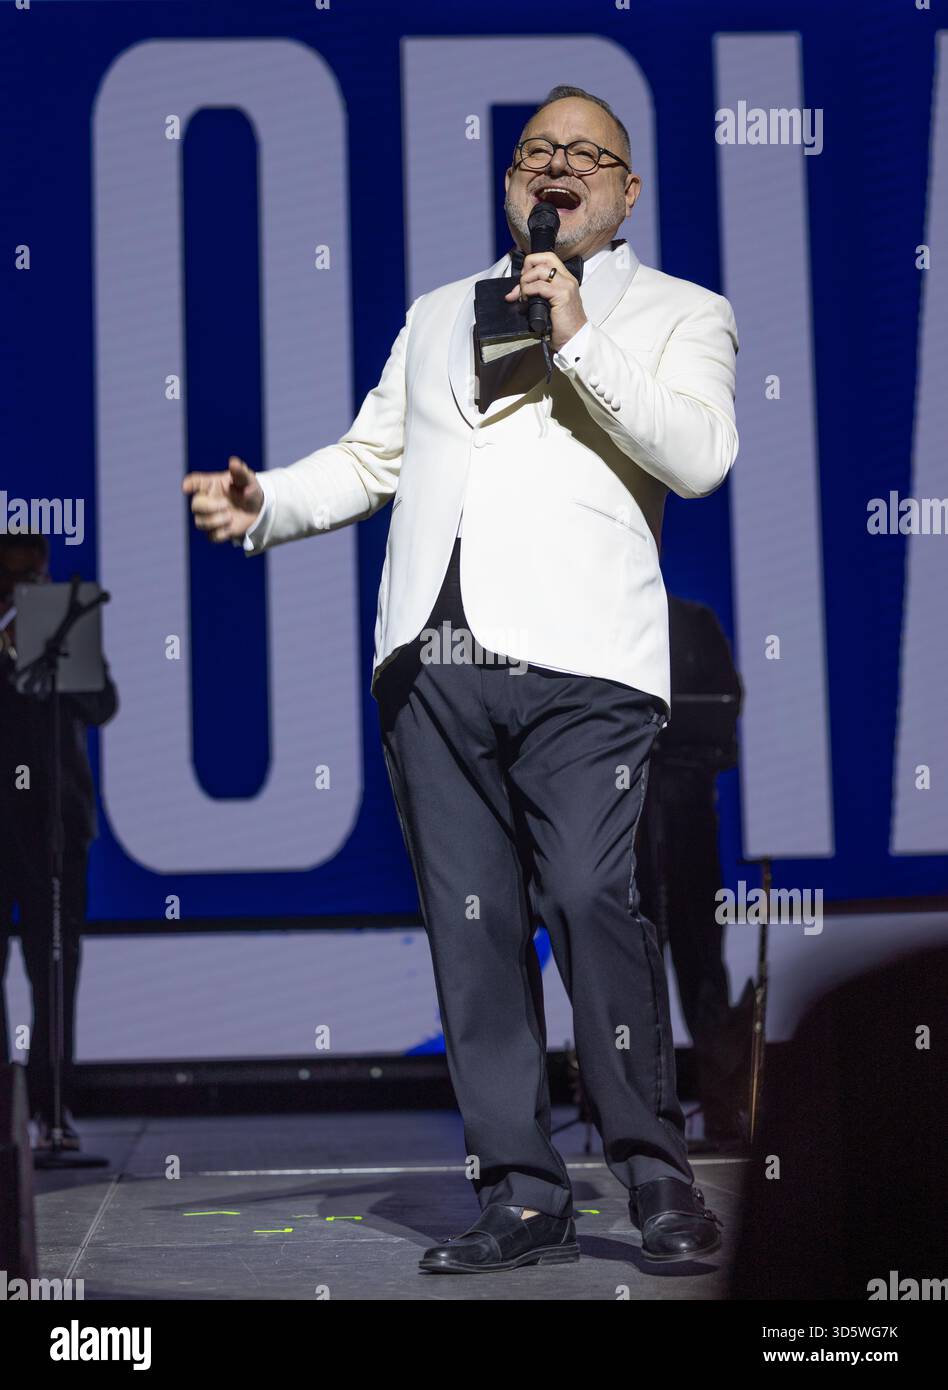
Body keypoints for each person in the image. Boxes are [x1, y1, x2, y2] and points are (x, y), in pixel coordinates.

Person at [183, 85, 739, 1272]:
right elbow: (371, 457)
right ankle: (523, 1190)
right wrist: (267, 502)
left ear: (626, 192)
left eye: (587, 155)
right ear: (509, 185)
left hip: (585, 666)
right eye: (538, 151)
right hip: (432, 664)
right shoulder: (441, 312)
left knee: (593, 898)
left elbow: (698, 457)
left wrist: (578, 331)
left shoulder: (684, 312)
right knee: (470, 930)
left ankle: (654, 1174)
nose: (558, 167)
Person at [0, 532, 118, 1149]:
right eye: (11, 574)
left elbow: (103, 706)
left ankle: (53, 1111)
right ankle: (4, 1116)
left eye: (34, 574)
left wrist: (55, 653)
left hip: (56, 826)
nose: (24, 586)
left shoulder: (64, 623)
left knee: (54, 969)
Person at [636, 594, 751, 1150]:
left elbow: (725, 711)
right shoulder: (600, 614)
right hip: (626, 821)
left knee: (702, 962)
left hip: (688, 822)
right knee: (633, 965)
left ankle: (726, 1111)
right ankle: (637, 1120)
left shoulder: (693, 622)